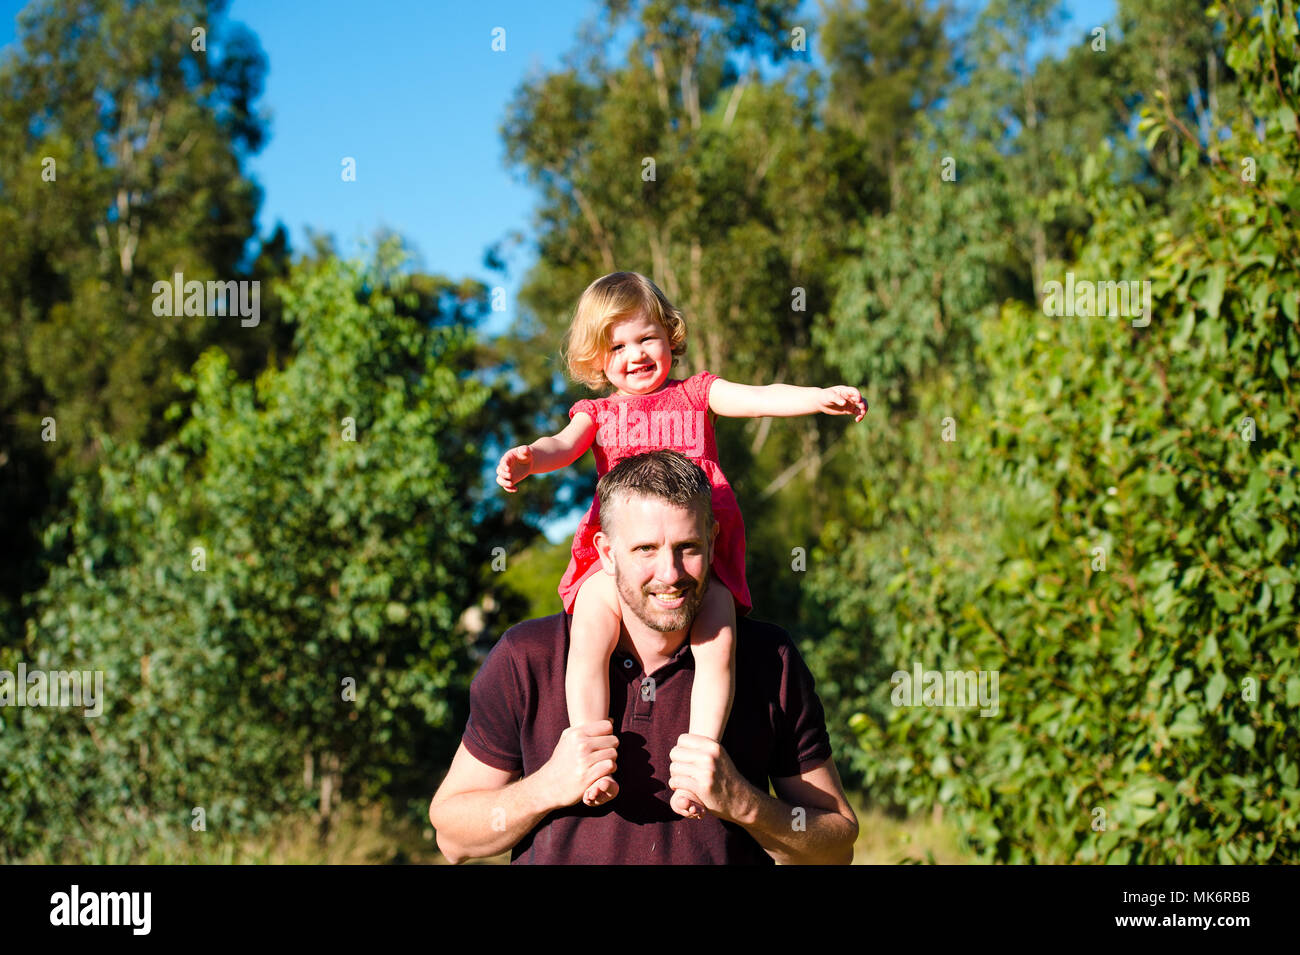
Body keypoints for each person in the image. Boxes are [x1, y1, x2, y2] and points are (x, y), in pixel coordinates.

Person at [494, 270, 866, 816]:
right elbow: (562, 445)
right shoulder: (597, 414)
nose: (635, 354)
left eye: (646, 338)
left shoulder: (696, 394)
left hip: (693, 556)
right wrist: (530, 458)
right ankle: (589, 758)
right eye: (616, 346)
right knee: (591, 632)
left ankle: (699, 765)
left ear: (669, 335)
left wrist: (817, 398)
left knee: (718, 641)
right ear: (598, 360)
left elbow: (760, 397)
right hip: (626, 559)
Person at [431, 450, 859, 864]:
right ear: (605, 554)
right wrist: (545, 787)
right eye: (645, 550)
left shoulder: (771, 660)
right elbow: (452, 837)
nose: (670, 574)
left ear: (713, 542)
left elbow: (836, 848)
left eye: (687, 547)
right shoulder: (527, 656)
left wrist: (745, 804)